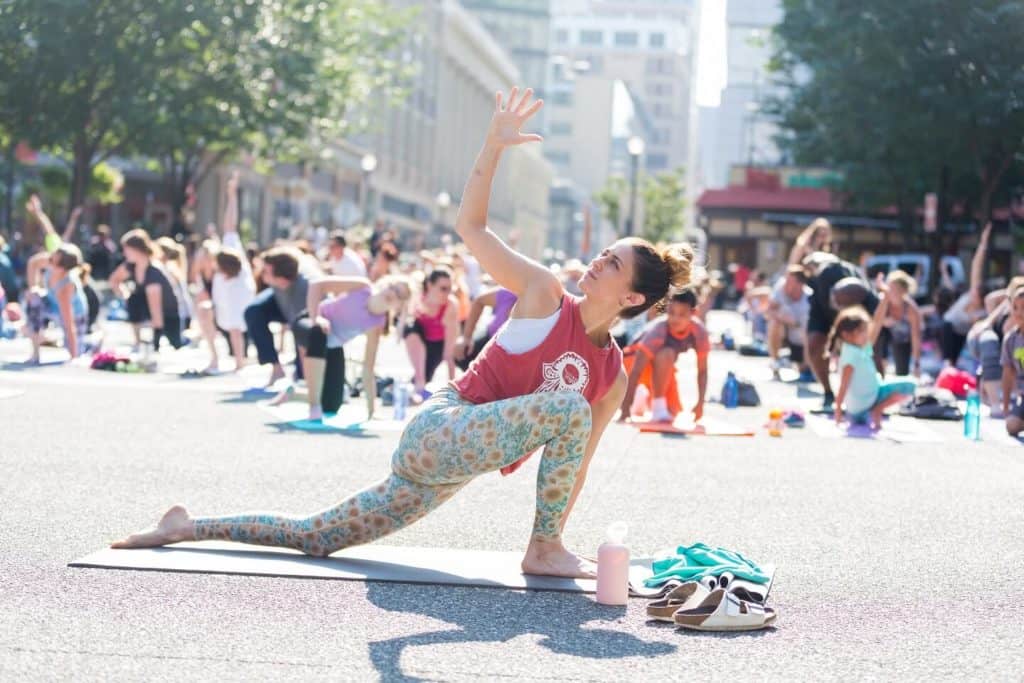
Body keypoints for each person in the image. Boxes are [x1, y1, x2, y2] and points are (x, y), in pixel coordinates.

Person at [112, 86, 693, 579]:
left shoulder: (612, 377)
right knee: (565, 407)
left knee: (318, 536)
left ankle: (187, 526)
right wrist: (493, 145)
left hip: (447, 469)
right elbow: (470, 226)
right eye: (604, 253)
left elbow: (578, 464)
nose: (597, 261)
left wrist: (560, 523)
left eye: (612, 265)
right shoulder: (543, 292)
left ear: (633, 298)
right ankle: (540, 549)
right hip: (440, 429)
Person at [289, 274, 413, 420]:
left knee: (332, 404)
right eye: (392, 287)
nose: (392, 293)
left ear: (400, 306)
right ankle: (314, 406)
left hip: (332, 345)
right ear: (385, 284)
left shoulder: (377, 323)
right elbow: (316, 284)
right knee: (319, 332)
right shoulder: (362, 287)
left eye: (399, 295)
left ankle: (292, 393)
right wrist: (316, 317)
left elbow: (368, 368)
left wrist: (372, 411)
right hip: (309, 324)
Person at [617, 288, 708, 423]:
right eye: (671, 312)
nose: (675, 318)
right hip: (631, 362)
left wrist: (700, 403)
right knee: (667, 353)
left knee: (673, 412)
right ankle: (651, 403)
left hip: (659, 368)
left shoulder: (699, 332)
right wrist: (625, 408)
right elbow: (635, 370)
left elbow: (702, 370)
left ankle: (641, 398)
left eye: (682, 314)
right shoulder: (659, 329)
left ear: (694, 313)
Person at [803, 253, 879, 410]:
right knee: (814, 343)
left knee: (873, 348)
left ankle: (874, 395)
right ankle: (828, 392)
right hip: (823, 313)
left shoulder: (867, 297)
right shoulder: (822, 281)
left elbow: (878, 328)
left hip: (856, 316)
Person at [244, 245, 321, 386]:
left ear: (281, 280)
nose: (263, 274)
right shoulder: (280, 273)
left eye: (266, 272)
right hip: (281, 302)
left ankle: (302, 375)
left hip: (309, 316)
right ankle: (276, 368)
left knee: (302, 374)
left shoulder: (305, 287)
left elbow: (300, 329)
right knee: (253, 311)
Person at [831, 304, 916, 430]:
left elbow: (876, 322)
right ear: (846, 335)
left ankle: (872, 412)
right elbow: (844, 385)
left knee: (887, 385)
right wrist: (837, 412)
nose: (866, 334)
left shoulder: (856, 349)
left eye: (866, 330)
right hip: (869, 401)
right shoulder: (853, 354)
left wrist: (885, 300)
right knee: (910, 385)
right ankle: (878, 410)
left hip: (855, 412)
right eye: (862, 331)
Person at [109, 229, 185, 350]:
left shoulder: (153, 272)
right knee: (133, 298)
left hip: (168, 317)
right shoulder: (131, 266)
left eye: (126, 249)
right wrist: (124, 295)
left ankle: (154, 343)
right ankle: (137, 341)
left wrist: (156, 343)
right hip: (149, 313)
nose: (124, 253)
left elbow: (157, 312)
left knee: (176, 345)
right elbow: (114, 280)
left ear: (137, 249)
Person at [23, 243, 89, 362]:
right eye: (51, 258)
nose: (49, 261)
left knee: (76, 350)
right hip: (53, 304)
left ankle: (92, 341)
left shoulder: (66, 285)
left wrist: (74, 358)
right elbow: (33, 263)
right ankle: (35, 353)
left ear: (62, 269)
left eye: (53, 261)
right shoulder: (50, 261)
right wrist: (33, 287)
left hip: (76, 315)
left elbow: (69, 323)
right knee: (34, 299)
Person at [403, 266, 459, 401]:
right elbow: (405, 326)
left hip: (437, 344)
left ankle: (414, 384)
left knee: (422, 378)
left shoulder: (450, 305)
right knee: (411, 328)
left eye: (450, 289)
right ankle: (419, 383)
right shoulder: (416, 300)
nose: (447, 293)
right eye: (443, 289)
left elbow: (448, 354)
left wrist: (453, 392)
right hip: (419, 339)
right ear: (429, 285)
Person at [942, 223, 991, 364]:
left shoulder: (981, 312)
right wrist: (983, 243)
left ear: (981, 299)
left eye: (975, 294)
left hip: (961, 333)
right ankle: (947, 363)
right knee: (947, 330)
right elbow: (976, 265)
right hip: (948, 327)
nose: (972, 293)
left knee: (956, 359)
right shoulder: (971, 293)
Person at [766, 264, 813, 381]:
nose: (786, 284)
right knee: (774, 323)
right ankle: (775, 362)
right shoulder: (781, 289)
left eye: (790, 282)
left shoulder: (809, 300)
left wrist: (794, 323)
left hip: (803, 344)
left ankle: (807, 368)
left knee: (809, 334)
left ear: (800, 284)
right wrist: (783, 318)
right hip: (787, 338)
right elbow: (768, 312)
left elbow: (810, 331)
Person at [454, 285, 517, 371]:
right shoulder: (509, 293)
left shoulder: (537, 304)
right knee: (461, 354)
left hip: (511, 353)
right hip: (490, 337)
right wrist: (466, 337)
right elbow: (479, 301)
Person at [873, 270, 922, 377]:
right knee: (880, 338)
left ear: (904, 291)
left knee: (902, 373)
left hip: (902, 340)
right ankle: (881, 369)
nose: (892, 293)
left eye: (896, 290)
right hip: (885, 338)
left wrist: (916, 363)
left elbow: (916, 337)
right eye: (890, 289)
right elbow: (875, 322)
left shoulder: (911, 310)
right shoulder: (884, 300)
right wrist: (885, 322)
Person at [1001, 286, 1024, 437]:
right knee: (1011, 426)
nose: (1018, 312)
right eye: (1015, 307)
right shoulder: (1011, 339)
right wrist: (1006, 405)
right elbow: (1007, 373)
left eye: (1023, 308)